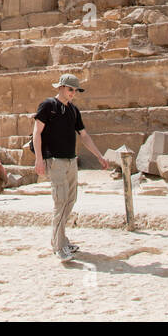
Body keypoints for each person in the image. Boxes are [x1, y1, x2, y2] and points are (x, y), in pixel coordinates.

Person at [32, 73, 110, 261]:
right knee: (60, 201)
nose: (73, 93)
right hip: (55, 161)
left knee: (70, 200)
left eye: (76, 90)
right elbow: (37, 132)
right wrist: (39, 159)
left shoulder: (74, 110)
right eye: (70, 89)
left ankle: (60, 240)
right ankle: (59, 247)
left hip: (70, 160)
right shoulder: (48, 106)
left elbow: (83, 135)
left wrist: (99, 155)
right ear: (60, 88)